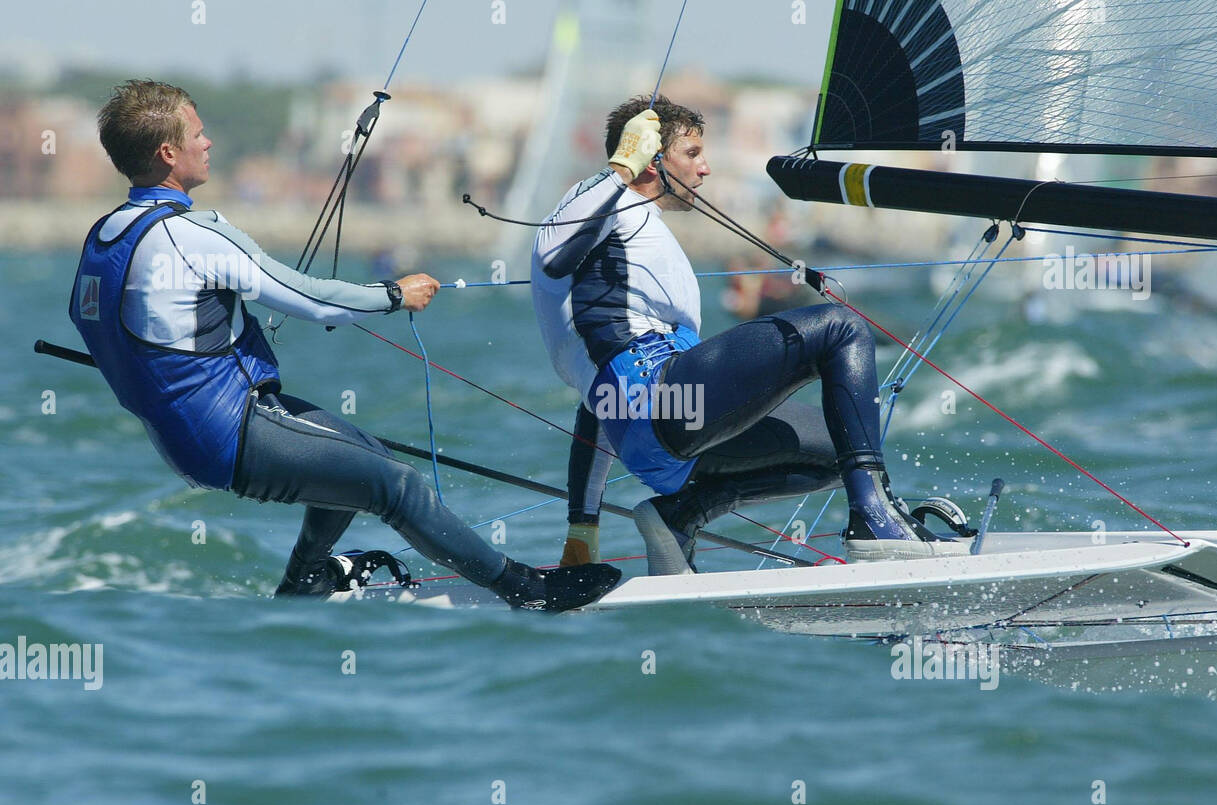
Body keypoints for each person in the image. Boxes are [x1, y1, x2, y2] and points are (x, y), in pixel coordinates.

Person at [70, 80, 619, 609]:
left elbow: (97, 326)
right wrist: (391, 294)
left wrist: (158, 368)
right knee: (397, 486)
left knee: (368, 455)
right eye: (198, 134)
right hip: (230, 428)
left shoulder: (105, 237)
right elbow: (307, 299)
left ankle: (305, 578)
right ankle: (526, 589)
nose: (208, 142)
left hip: (184, 435)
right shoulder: (188, 236)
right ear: (168, 153)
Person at [532, 95, 964, 574]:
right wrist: (619, 169)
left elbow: (598, 401)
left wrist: (583, 527)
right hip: (659, 401)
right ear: (652, 158)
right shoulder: (599, 200)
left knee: (850, 441)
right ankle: (875, 521)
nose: (706, 168)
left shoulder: (622, 237)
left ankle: (680, 515)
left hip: (660, 429)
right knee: (841, 327)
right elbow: (553, 256)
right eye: (692, 153)